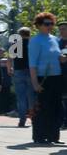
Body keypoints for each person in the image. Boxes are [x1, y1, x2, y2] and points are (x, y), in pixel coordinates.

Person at [28, 12, 63, 144]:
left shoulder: (55, 39)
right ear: (38, 25)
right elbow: (32, 63)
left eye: (51, 23)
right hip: (43, 78)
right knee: (42, 108)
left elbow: (57, 56)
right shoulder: (35, 41)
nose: (49, 26)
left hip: (56, 78)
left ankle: (53, 136)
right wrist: (35, 83)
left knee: (55, 108)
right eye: (46, 24)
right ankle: (39, 136)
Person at [11, 25, 32, 128]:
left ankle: (22, 120)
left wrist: (9, 68)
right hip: (31, 71)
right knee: (31, 96)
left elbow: (10, 58)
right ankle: (34, 119)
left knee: (21, 97)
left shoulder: (16, 44)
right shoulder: (32, 43)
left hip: (18, 71)